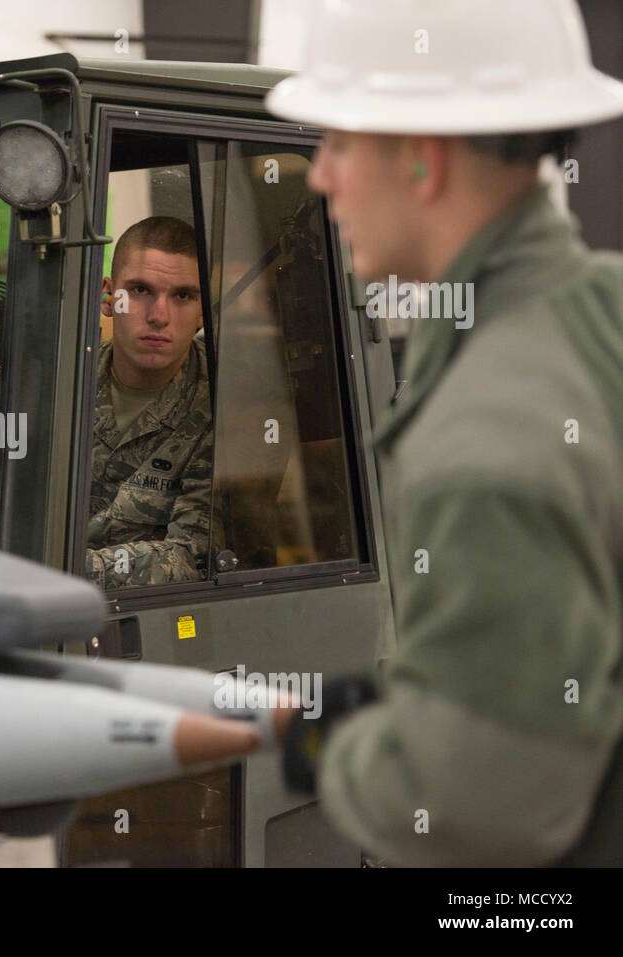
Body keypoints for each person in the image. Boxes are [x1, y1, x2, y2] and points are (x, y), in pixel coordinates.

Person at [267, 0, 623, 865]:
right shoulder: (600, 308)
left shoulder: (488, 435)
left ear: (424, 164)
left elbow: (479, 803)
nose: (319, 176)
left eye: (340, 143)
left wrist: (336, 745)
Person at [86, 216, 213, 588]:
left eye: (183, 296)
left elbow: (194, 554)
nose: (159, 316)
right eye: (140, 290)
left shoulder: (225, 403)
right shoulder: (61, 385)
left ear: (203, 310)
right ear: (109, 297)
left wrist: (61, 570)